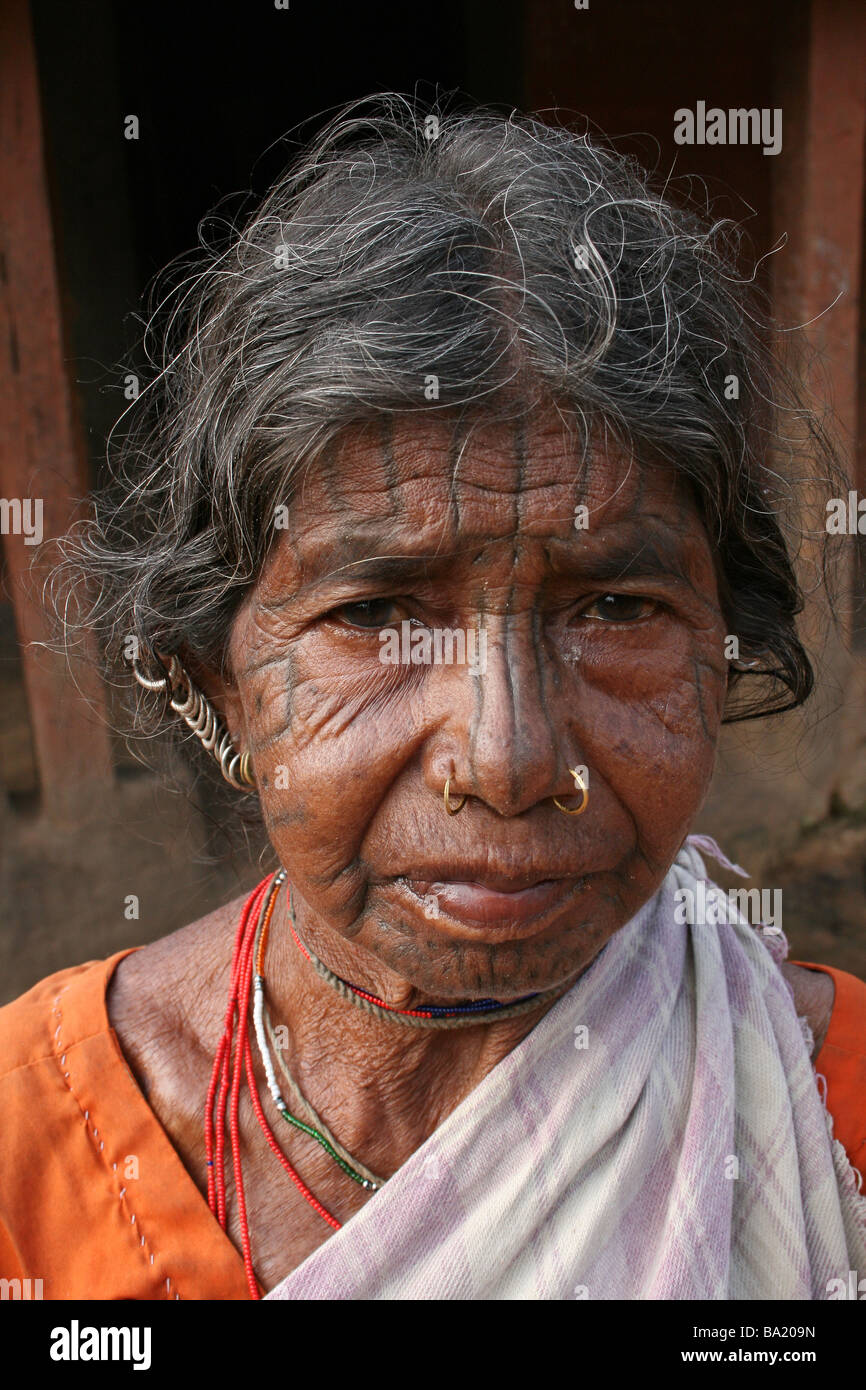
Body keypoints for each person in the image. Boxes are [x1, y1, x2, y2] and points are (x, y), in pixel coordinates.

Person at [1, 93, 864, 1301]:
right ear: (216, 681)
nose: (507, 759)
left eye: (615, 609)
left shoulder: (838, 1113)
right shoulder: (30, 1158)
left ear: (725, 646)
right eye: (372, 616)